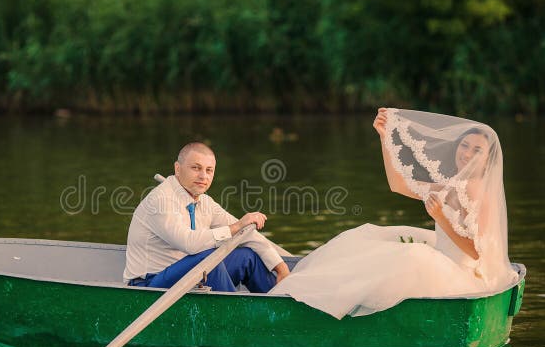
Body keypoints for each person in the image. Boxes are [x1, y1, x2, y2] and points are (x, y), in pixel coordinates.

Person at [270, 107, 518, 318]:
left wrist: (441, 218)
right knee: (368, 235)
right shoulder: (449, 187)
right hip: (442, 256)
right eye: (464, 146)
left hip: (463, 273)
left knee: (411, 255)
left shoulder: (482, 196)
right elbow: (398, 185)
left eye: (477, 151)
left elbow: (476, 252)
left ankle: (340, 298)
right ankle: (321, 287)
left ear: (488, 160)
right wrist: (384, 137)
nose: (467, 154)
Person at [123, 142, 291, 292]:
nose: (203, 176)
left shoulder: (204, 201)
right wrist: (236, 227)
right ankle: (238, 318)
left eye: (209, 170)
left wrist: (280, 266)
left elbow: (246, 233)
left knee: (247, 257)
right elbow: (190, 243)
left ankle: (282, 304)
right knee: (208, 259)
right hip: (149, 285)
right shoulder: (160, 200)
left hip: (189, 275)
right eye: (196, 168)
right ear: (177, 169)